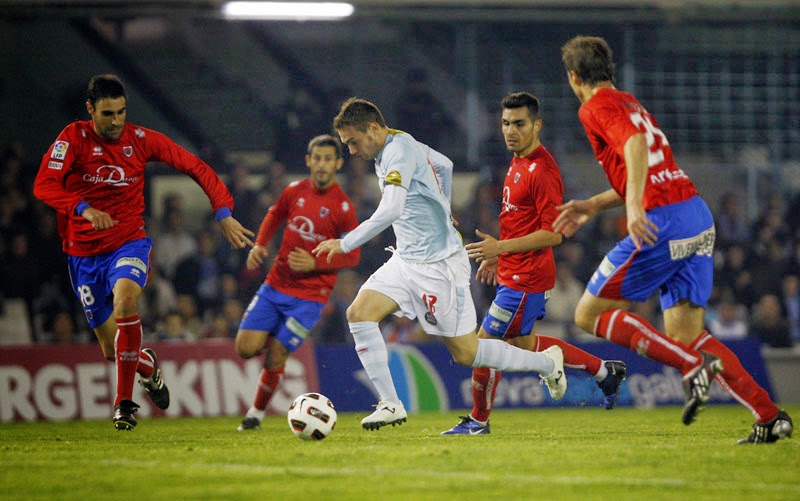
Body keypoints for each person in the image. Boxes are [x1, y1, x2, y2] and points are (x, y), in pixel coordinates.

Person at [555, 36, 792, 444]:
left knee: (588, 315)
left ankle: (689, 366)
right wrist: (594, 204)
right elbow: (646, 166)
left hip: (661, 221)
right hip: (696, 215)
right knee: (688, 334)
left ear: (574, 76)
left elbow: (633, 146)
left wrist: (632, 208)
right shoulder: (629, 102)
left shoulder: (594, 106)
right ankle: (769, 416)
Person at [313, 97, 567, 431]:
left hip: (439, 266)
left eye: (353, 142)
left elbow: (390, 210)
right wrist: (442, 205)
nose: (351, 151)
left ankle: (546, 364)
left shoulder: (398, 152)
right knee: (358, 314)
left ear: (373, 129)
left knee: (466, 353)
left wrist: (346, 242)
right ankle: (390, 403)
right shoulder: (396, 142)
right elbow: (444, 164)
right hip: (406, 258)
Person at [33, 74, 255, 431]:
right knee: (111, 349)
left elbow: (194, 166)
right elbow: (44, 184)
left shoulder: (140, 140)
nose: (116, 121)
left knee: (125, 301)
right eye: (107, 114)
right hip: (83, 254)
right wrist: (83, 209)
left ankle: (124, 404)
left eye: (121, 112)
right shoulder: (72, 138)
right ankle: (148, 367)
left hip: (128, 242)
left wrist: (223, 212)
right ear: (90, 110)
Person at [442, 92, 627, 436]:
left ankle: (479, 421)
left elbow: (553, 234)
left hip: (527, 280)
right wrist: (500, 255)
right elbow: (519, 223)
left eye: (519, 123)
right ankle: (604, 371)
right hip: (514, 271)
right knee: (525, 346)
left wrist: (501, 248)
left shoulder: (542, 170)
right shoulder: (516, 162)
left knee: (481, 348)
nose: (511, 130)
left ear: (537, 125)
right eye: (506, 123)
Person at [235, 134, 361, 431]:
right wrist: (260, 244)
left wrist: (315, 263)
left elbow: (353, 256)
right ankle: (275, 343)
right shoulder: (293, 191)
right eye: (316, 158)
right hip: (275, 285)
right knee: (244, 348)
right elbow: (274, 214)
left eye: (328, 159)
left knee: (278, 354)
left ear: (338, 164)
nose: (321, 164)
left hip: (311, 297)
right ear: (308, 161)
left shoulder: (343, 207)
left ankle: (255, 413)